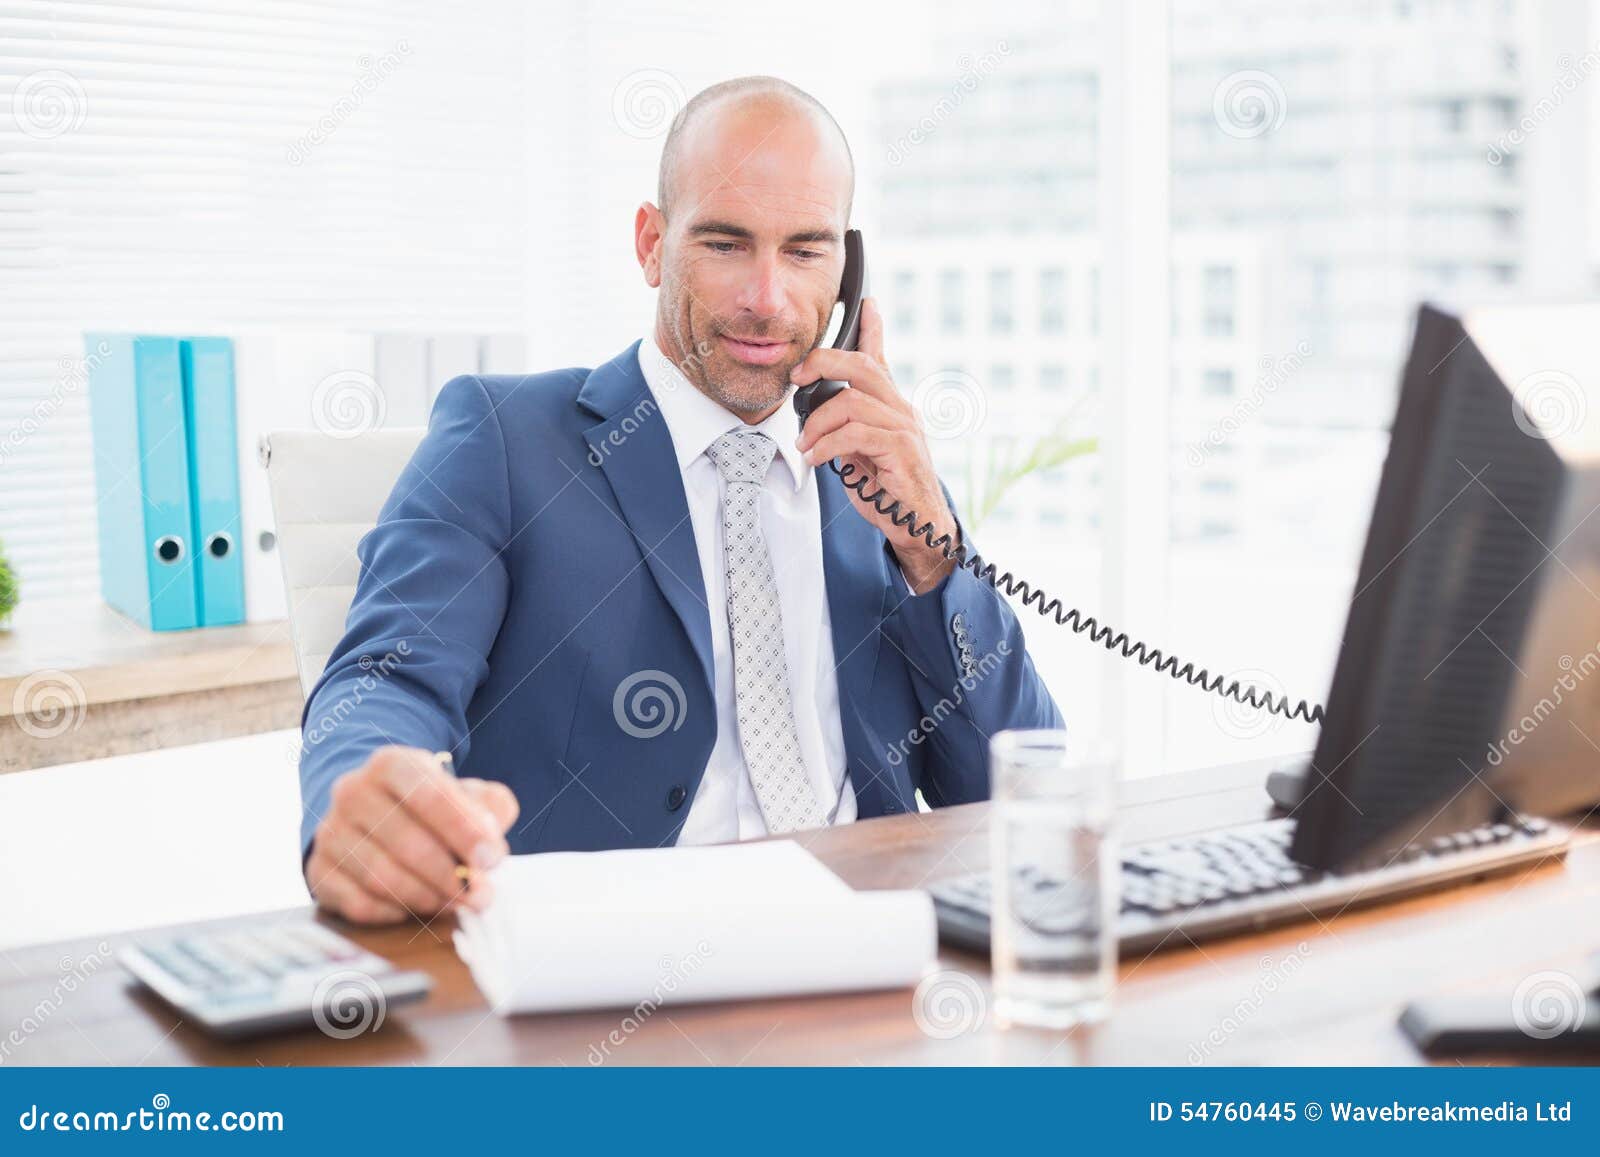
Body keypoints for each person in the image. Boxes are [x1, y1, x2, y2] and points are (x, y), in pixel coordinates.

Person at [297, 76, 1063, 924]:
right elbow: (384, 677)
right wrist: (357, 791)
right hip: (615, 970)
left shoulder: (877, 472)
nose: (767, 298)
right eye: (726, 244)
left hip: (868, 951)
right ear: (652, 243)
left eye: (805, 251)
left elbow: (1022, 793)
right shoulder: (507, 437)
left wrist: (935, 552)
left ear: (848, 269)